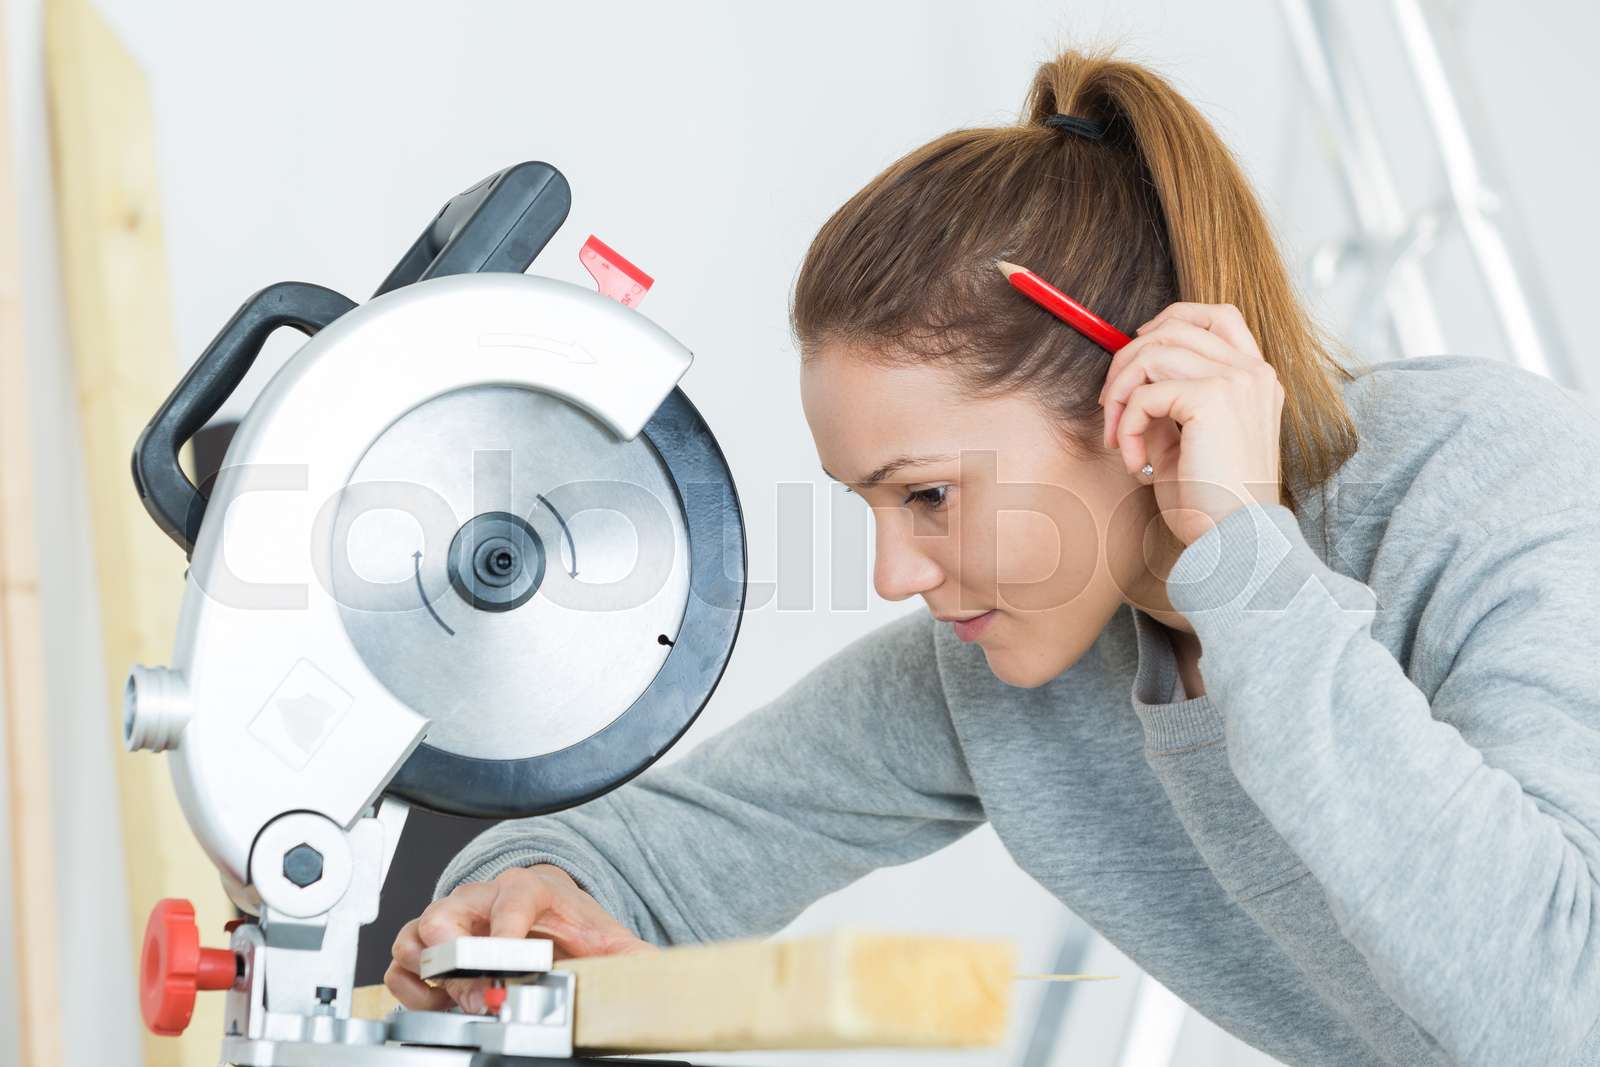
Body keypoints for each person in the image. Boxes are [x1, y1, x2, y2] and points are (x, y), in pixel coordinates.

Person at [386, 47, 1600, 1066]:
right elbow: (643, 860)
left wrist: (1243, 550)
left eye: (928, 494)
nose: (893, 574)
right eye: (870, 502)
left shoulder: (1487, 482)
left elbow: (1556, 1000)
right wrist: (519, 899)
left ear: (1140, 405)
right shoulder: (1004, 665)